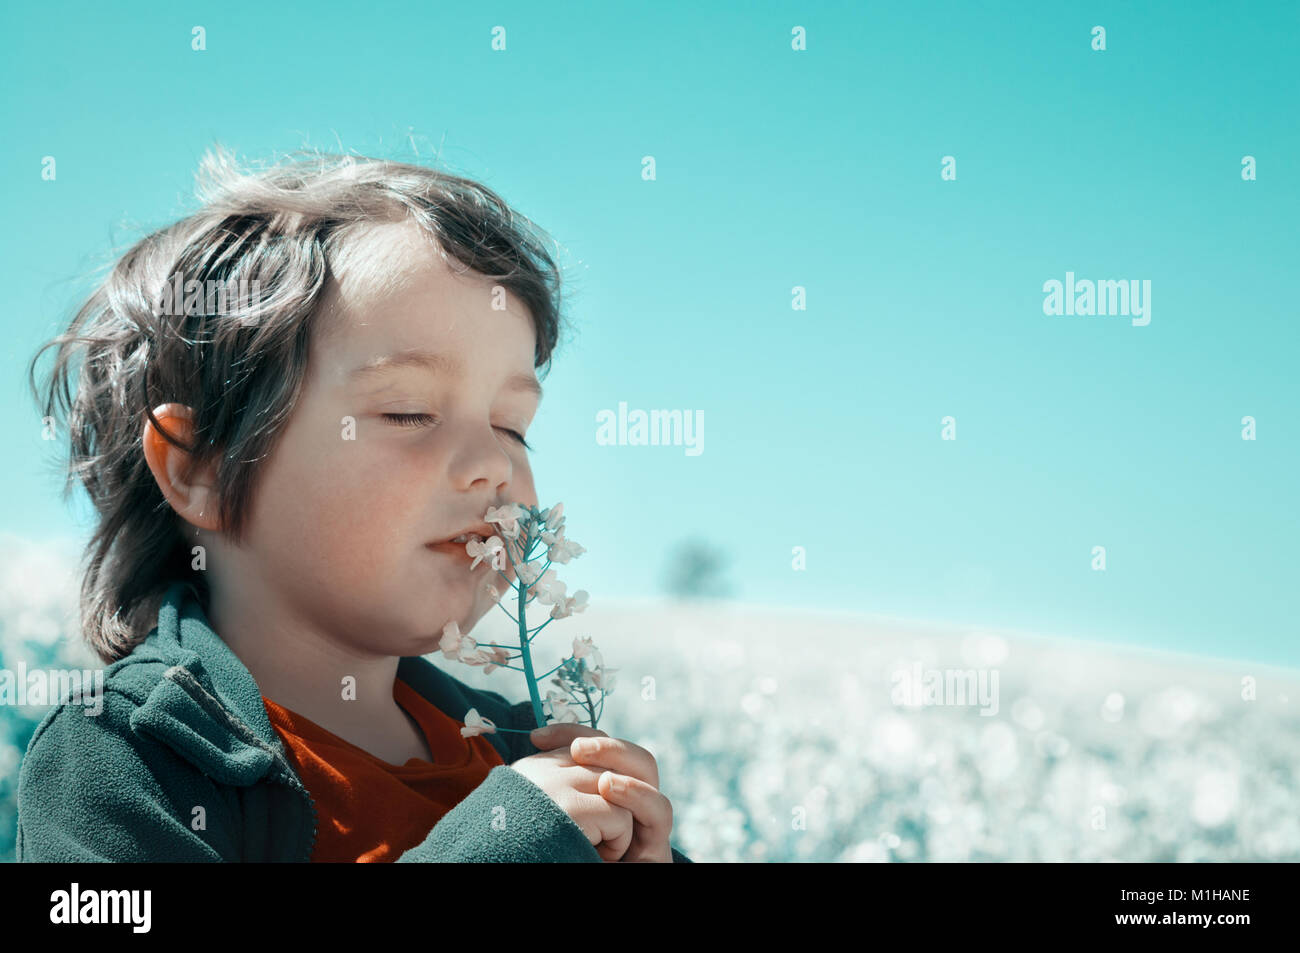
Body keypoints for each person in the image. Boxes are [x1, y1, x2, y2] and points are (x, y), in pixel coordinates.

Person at [17, 149, 688, 863]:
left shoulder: (525, 745)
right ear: (201, 469)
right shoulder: (124, 756)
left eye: (512, 425)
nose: (494, 463)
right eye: (407, 412)